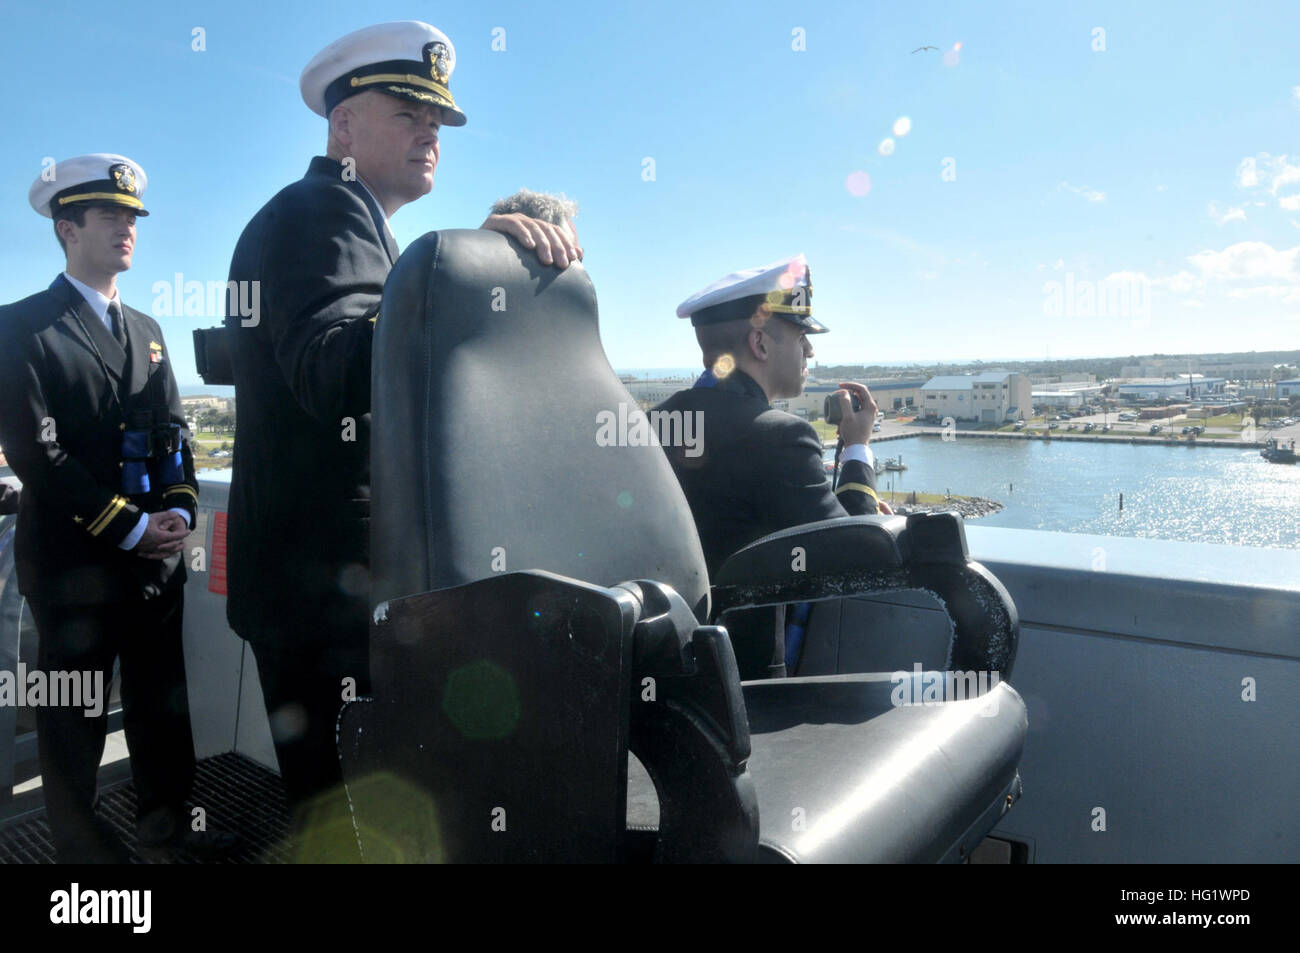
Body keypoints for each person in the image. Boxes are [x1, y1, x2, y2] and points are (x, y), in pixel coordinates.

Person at [225, 21, 581, 858]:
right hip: (327, 605)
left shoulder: (358, 226)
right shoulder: (321, 210)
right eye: (409, 110)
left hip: (326, 593)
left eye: (441, 120)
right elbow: (335, 369)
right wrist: (461, 264)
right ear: (343, 127)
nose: (432, 132)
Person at [0, 155, 235, 862]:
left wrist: (181, 511)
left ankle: (169, 828)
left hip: (153, 563)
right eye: (110, 215)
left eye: (132, 216)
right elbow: (40, 457)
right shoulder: (21, 328)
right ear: (66, 227)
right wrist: (131, 525)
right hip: (74, 563)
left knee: (163, 702)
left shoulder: (150, 329)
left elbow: (174, 436)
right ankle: (82, 855)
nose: (128, 227)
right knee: (73, 715)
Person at [654, 254, 883, 678]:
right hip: (744, 694)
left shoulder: (655, 422)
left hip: (664, 671)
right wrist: (856, 449)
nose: (810, 349)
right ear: (759, 344)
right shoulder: (780, 437)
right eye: (800, 337)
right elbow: (862, 560)